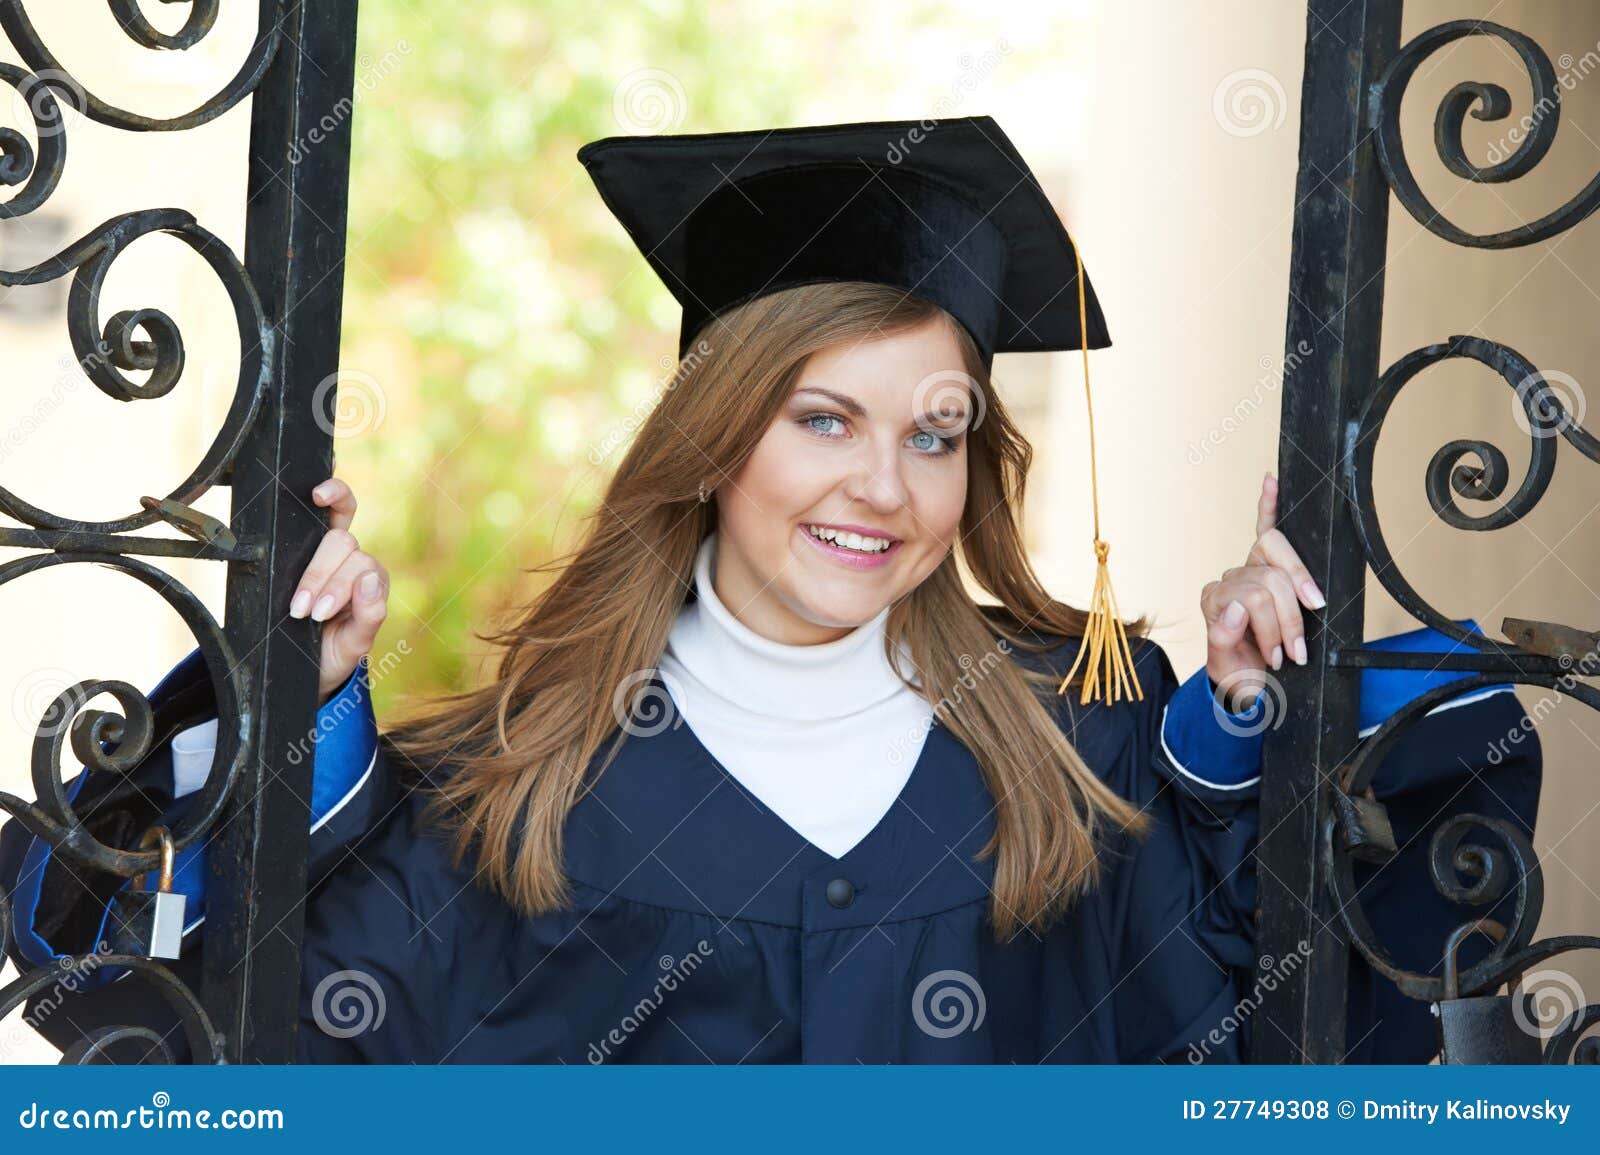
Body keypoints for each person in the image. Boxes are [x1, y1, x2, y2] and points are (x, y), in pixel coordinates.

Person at [0, 116, 1540, 1064]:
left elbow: (1261, 998)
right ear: (714, 438)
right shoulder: (516, 794)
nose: (886, 487)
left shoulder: (1087, 754)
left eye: (937, 436)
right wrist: (309, 700)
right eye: (825, 420)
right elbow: (253, 1017)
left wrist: (1256, 710)